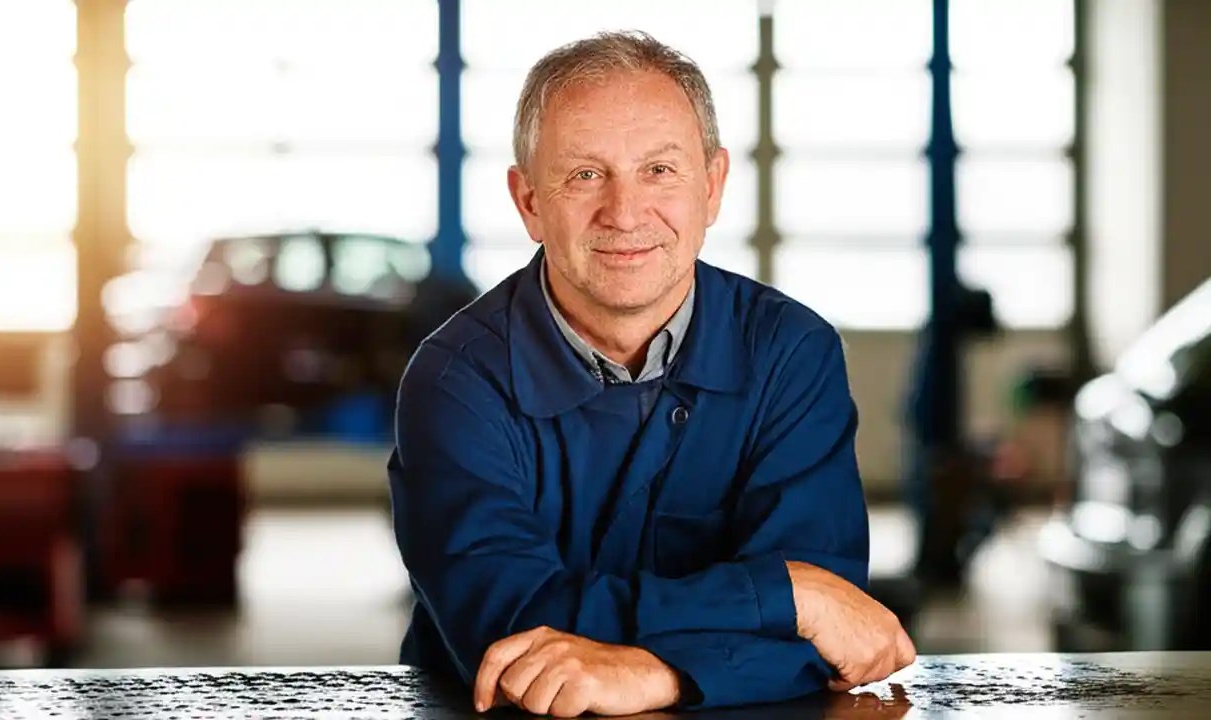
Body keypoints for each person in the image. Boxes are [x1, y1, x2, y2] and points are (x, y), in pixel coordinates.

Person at [388, 31, 915, 717]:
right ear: (529, 202)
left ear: (714, 185)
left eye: (659, 170)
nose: (625, 212)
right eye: (585, 174)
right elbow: (510, 637)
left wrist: (654, 675)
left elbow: (838, 638)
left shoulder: (791, 353)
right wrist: (785, 596)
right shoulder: (455, 382)